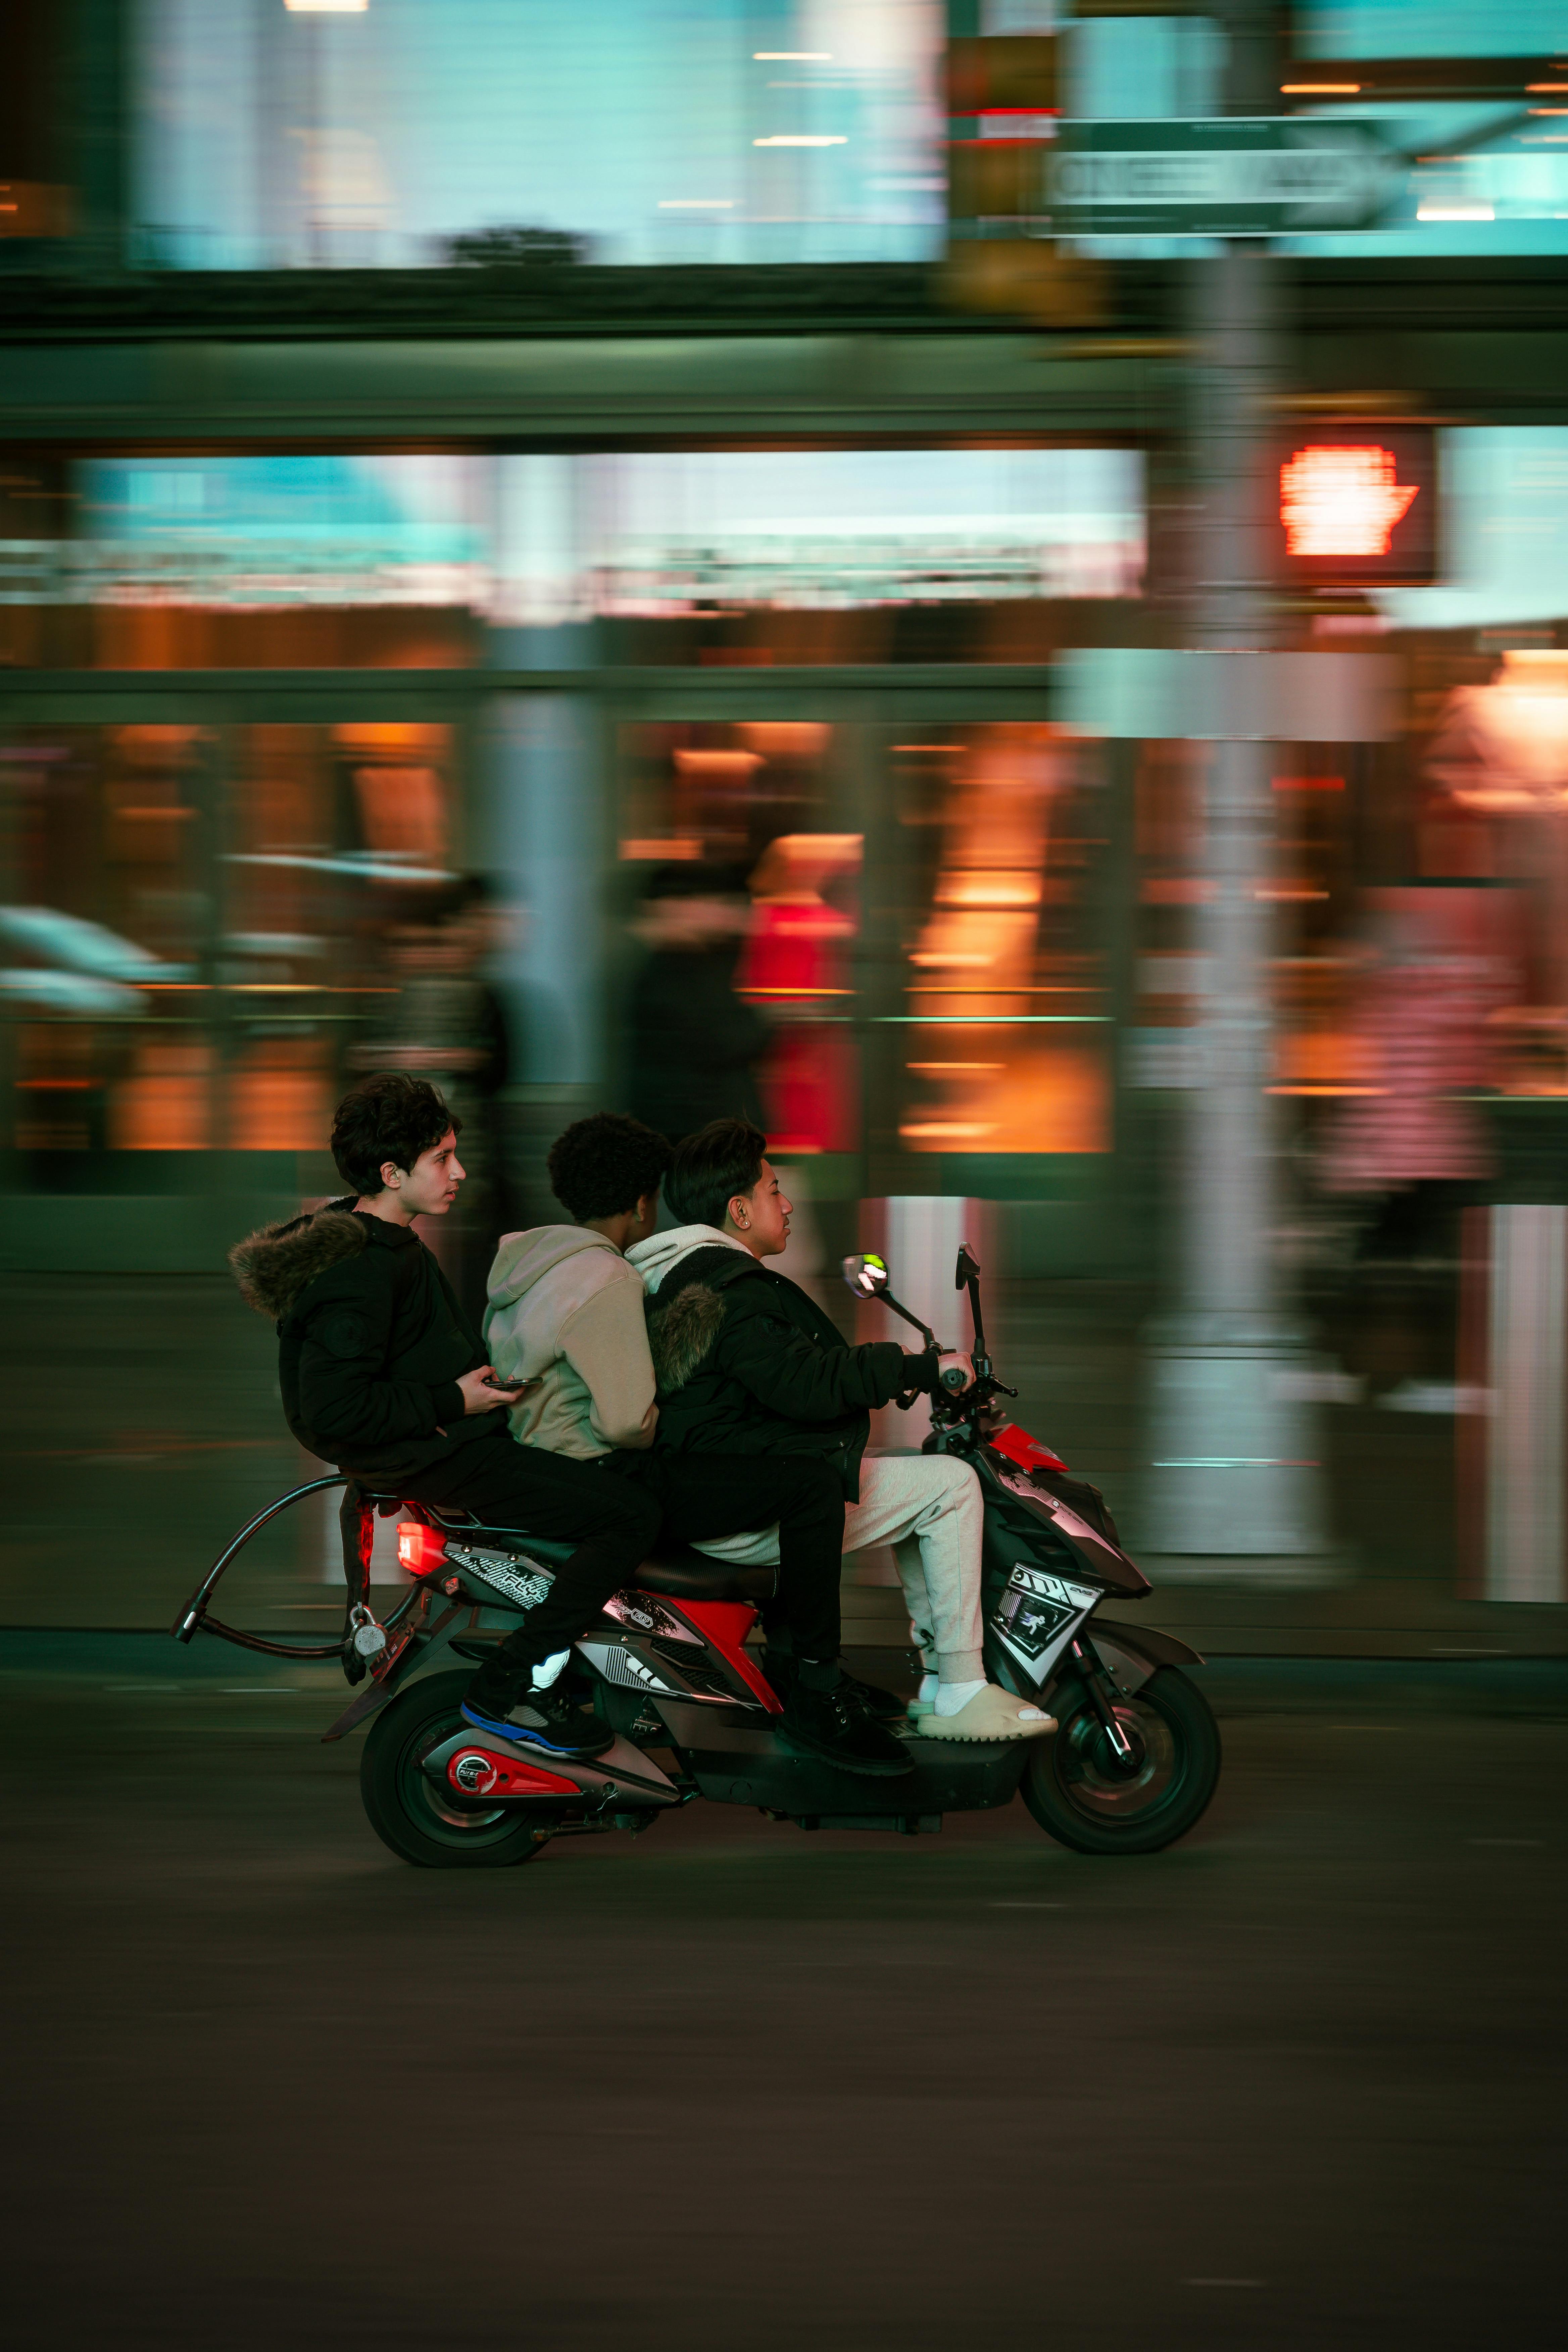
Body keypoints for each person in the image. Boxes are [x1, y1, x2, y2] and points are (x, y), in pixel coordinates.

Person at [228, 1073, 659, 1765]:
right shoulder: (360, 1265)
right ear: (392, 1173)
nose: (458, 1173)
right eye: (440, 1160)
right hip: (443, 1456)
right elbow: (334, 1410)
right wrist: (455, 1402)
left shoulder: (386, 1242)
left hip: (448, 1443)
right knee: (628, 1515)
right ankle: (511, 1685)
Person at [482, 1111, 909, 1776]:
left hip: (539, 1462)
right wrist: (661, 1422)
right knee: (807, 1486)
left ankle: (788, 1666)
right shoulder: (610, 1279)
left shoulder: (527, 1265)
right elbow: (626, 1423)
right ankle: (813, 1682)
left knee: (770, 1481)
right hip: (603, 1466)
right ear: (642, 1201)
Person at [626, 1118, 1055, 1744]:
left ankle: (939, 1681)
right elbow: (802, 1381)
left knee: (916, 1482)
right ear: (739, 1210)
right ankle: (960, 1685)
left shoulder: (688, 1274)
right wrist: (916, 1367)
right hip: (749, 1505)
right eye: (775, 1190)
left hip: (730, 1483)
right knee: (953, 1484)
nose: (789, 1201)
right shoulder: (731, 1289)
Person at [625, 864, 770, 1142]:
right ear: (672, 907)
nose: (714, 911)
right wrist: (766, 1021)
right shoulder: (676, 971)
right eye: (708, 903)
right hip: (698, 1134)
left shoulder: (687, 965)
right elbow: (731, 1039)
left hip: (700, 1132)